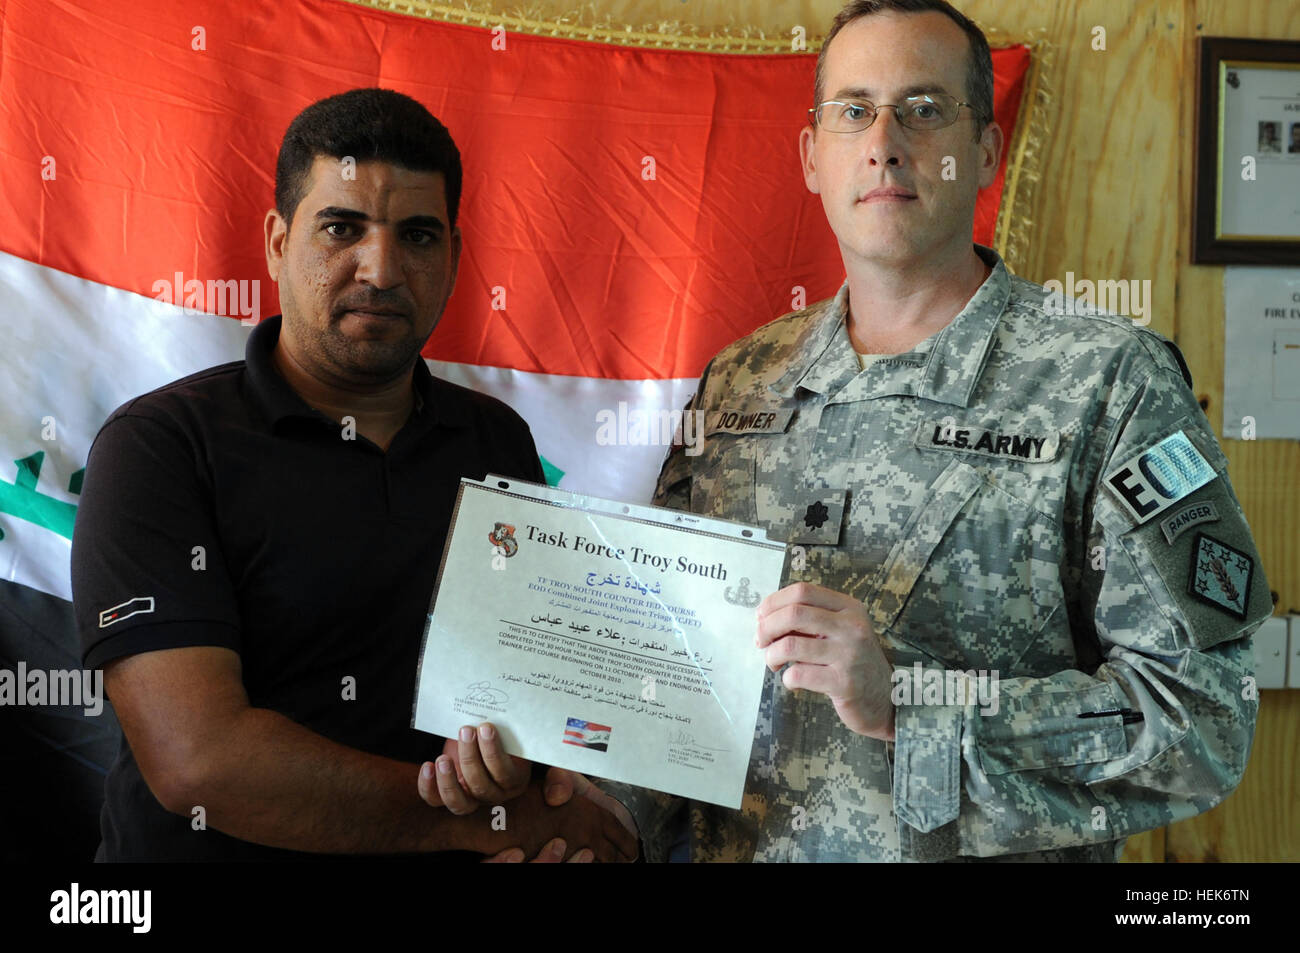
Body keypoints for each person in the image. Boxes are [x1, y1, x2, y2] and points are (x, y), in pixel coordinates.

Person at [592, 0, 1271, 861]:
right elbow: (677, 665)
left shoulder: (1110, 383)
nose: (883, 141)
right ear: (812, 156)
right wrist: (596, 805)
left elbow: (1200, 718)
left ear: (984, 150)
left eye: (923, 109)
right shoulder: (739, 381)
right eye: (853, 111)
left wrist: (914, 705)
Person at [70, 88, 637, 862]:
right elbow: (199, 762)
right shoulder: (160, 447)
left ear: (455, 257)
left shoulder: (495, 440)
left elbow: (530, 694)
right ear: (276, 241)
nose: (382, 268)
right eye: (342, 227)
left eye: (417, 235)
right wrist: (474, 823)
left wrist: (540, 780)